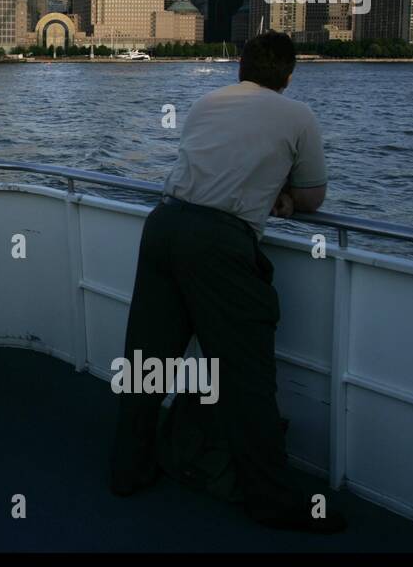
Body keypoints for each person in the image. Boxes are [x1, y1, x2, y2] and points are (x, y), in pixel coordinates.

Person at [109, 31, 346, 533]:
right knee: (246, 375)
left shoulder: (206, 103)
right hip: (219, 241)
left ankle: (129, 468)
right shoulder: (298, 116)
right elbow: (313, 197)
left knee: (148, 360)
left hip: (164, 225)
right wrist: (283, 195)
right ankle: (270, 497)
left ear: (240, 66)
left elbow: (214, 162)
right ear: (288, 75)